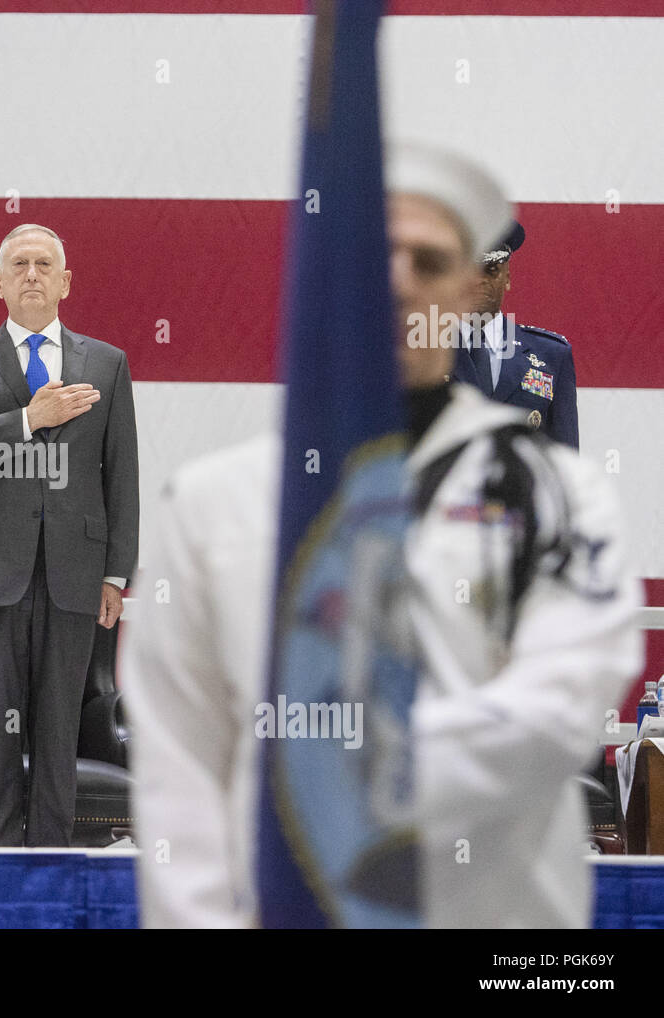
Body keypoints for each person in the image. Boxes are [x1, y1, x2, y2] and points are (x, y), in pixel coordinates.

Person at [123, 144, 641, 928]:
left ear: (468, 290)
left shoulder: (560, 498)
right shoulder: (211, 507)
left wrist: (338, 759)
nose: (398, 284)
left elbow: (557, 710)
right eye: (371, 259)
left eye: (429, 263)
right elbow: (179, 777)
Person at [0, 224, 139, 847]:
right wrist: (26, 420)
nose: (33, 274)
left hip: (77, 577)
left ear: (66, 281)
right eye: (19, 264)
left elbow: (122, 475)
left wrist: (116, 573)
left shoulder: (107, 363)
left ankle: (52, 876)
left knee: (57, 743)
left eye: (46, 264)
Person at [453, 221, 580, 448]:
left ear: (508, 278)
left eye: (491, 270)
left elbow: (565, 459)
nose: (479, 280)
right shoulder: (425, 352)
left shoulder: (551, 356)